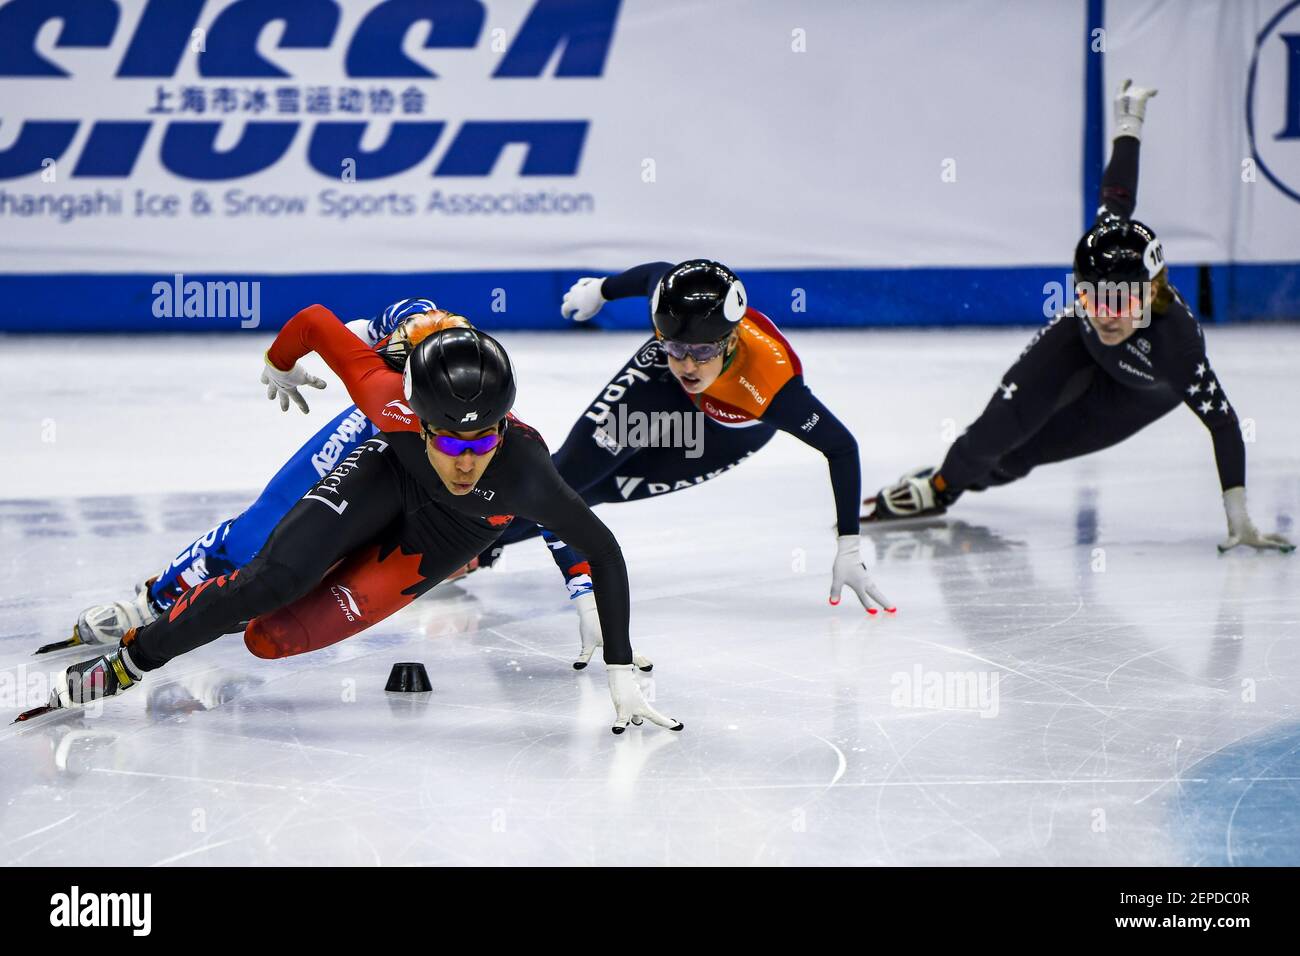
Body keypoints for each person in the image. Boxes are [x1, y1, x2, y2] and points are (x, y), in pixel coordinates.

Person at [27, 314, 681, 735]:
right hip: (385, 473)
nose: (468, 460)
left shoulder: (523, 471)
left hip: (444, 540)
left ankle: (194, 611)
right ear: (414, 418)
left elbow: (603, 549)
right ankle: (134, 655)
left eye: (483, 442)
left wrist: (620, 670)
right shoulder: (382, 395)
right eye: (451, 443)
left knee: (271, 638)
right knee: (271, 578)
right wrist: (278, 364)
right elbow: (313, 322)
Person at [863, 80, 1293, 555]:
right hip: (1076, 348)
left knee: (1027, 453)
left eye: (1122, 304)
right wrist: (1129, 120)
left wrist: (1239, 519)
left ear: (1152, 294)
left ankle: (964, 481)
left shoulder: (1179, 346)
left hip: (1137, 395)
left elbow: (1224, 423)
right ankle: (939, 488)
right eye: (1091, 299)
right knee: (999, 428)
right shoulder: (1106, 245)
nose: (1107, 317)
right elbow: (1119, 188)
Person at [481, 258, 894, 668]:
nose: (689, 365)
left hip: (723, 433)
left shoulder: (773, 387)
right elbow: (654, 272)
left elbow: (841, 447)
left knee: (602, 490)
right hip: (658, 389)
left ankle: (480, 546)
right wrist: (602, 290)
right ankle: (471, 535)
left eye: (702, 351)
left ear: (730, 340)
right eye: (676, 347)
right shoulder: (674, 314)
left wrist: (849, 545)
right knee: (567, 476)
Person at [43, 298, 464, 655]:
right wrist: (280, 361)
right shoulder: (410, 322)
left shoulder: (482, 413)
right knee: (257, 533)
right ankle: (155, 600)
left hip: (436, 457)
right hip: (378, 425)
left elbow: (524, 480)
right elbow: (327, 327)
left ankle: (476, 554)